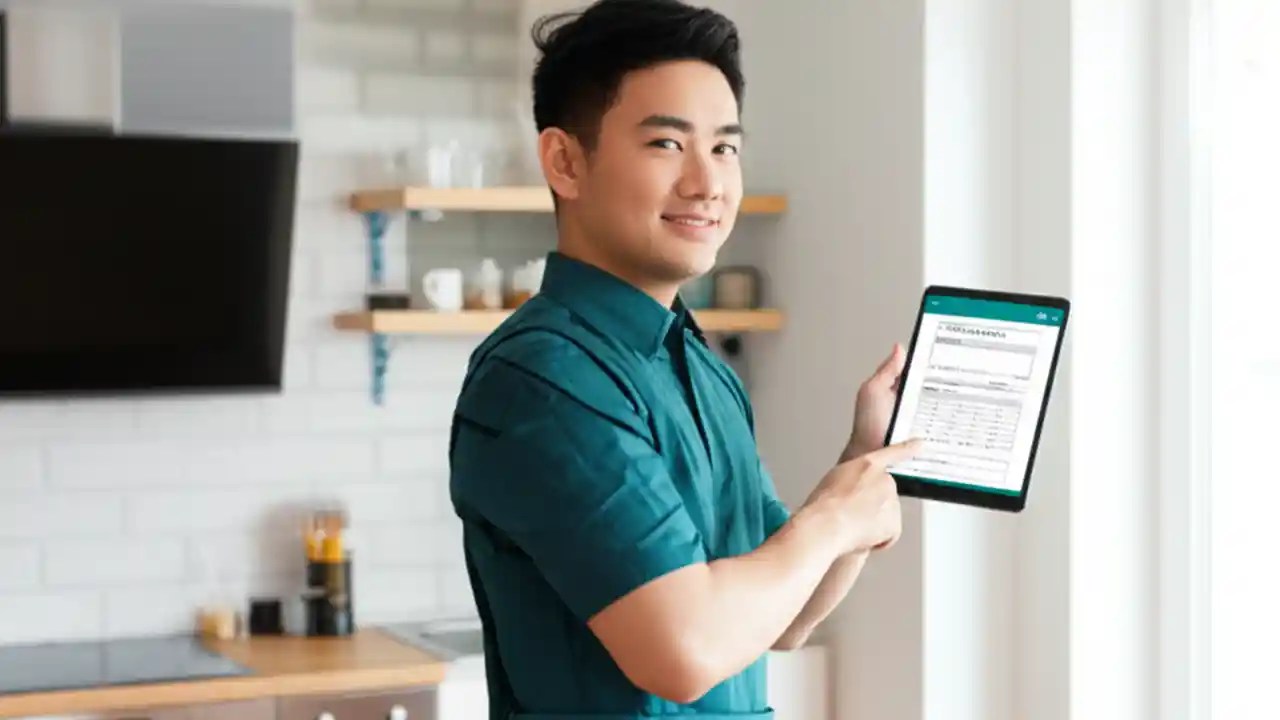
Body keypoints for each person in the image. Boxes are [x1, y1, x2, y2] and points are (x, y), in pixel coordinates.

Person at [448, 1, 921, 717]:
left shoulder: (702, 368)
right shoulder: (542, 379)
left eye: (725, 148)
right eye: (667, 144)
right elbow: (685, 650)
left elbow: (784, 620)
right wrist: (832, 519)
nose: (707, 183)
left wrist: (864, 461)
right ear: (565, 162)